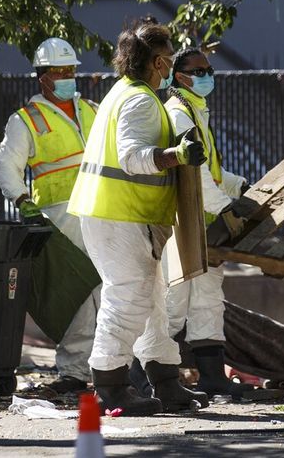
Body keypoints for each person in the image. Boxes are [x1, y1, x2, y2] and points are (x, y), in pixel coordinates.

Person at [67, 21, 209, 416]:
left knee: (151, 300)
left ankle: (166, 381)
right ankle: (110, 385)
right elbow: (132, 157)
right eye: (169, 58)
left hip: (117, 215)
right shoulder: (141, 101)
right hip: (121, 215)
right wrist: (177, 155)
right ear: (160, 61)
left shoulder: (123, 93)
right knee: (128, 297)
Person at [0, 37, 100, 394]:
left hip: (102, 210)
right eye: (60, 71)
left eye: (71, 70)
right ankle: (74, 370)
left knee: (108, 289)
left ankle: (109, 366)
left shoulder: (91, 109)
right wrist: (22, 199)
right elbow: (7, 167)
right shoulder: (26, 120)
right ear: (43, 77)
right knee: (80, 292)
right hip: (62, 215)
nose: (68, 77)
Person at [162, 47, 258, 397]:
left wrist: (238, 186)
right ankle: (146, 375)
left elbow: (212, 170)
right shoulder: (179, 114)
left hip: (203, 222)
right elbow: (194, 173)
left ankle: (213, 377)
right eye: (198, 70)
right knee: (175, 301)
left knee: (206, 300)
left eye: (209, 69)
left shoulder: (195, 111)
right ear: (178, 76)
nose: (206, 75)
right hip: (185, 221)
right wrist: (225, 208)